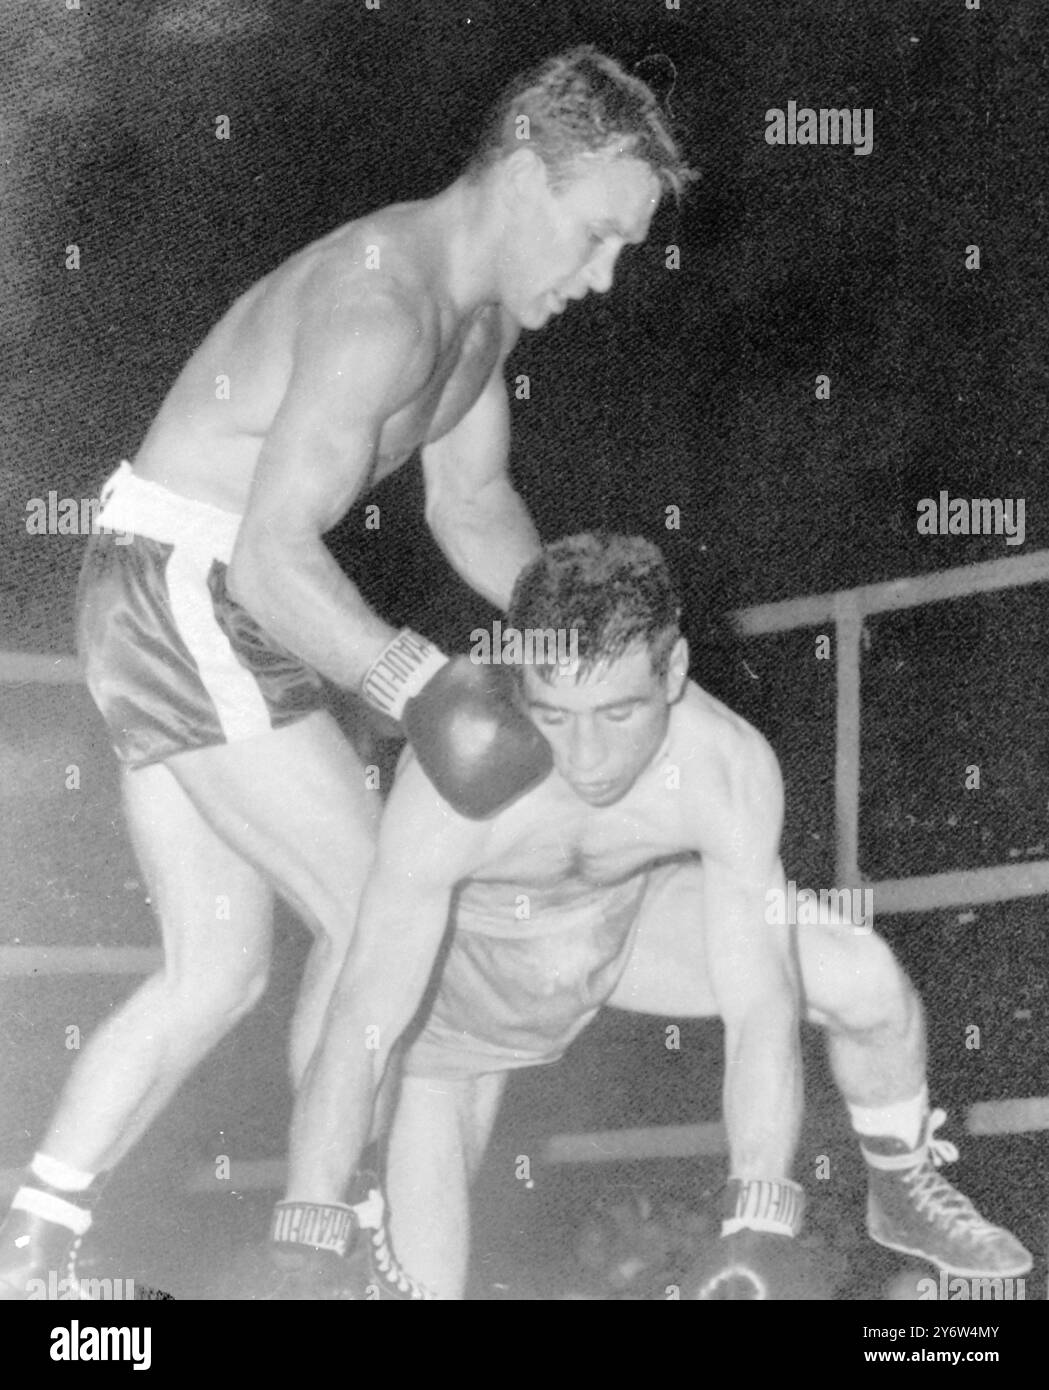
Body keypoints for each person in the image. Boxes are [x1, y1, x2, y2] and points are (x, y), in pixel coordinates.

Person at [0, 49, 692, 1300]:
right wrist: (423, 689)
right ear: (526, 167)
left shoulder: (475, 328)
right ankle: (347, 1249)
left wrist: (586, 649)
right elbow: (270, 560)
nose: (600, 278)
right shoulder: (385, 301)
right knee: (394, 912)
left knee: (219, 969)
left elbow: (473, 507)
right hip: (191, 586)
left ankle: (32, 1257)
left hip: (206, 601)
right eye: (594, 237)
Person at [279, 533, 1031, 1299]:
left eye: (616, 713)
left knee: (861, 975)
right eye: (555, 715)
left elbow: (759, 1004)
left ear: (671, 671)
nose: (587, 757)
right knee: (419, 1293)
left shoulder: (724, 768)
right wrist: (306, 1227)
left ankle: (901, 1188)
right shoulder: (452, 783)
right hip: (461, 984)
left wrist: (758, 1215)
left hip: (615, 931)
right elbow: (361, 1017)